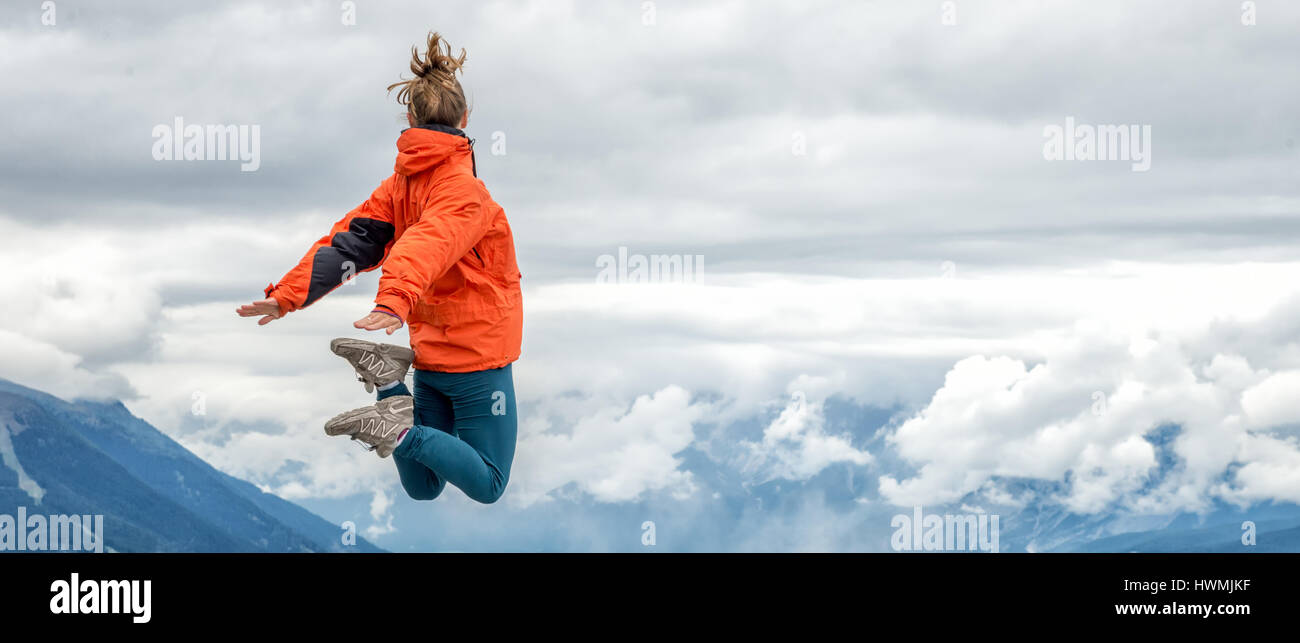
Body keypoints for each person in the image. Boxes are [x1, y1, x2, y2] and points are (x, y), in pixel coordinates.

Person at [236, 32, 522, 505]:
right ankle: (394, 418)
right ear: (466, 119)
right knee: (489, 484)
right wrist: (394, 299)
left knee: (423, 487)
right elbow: (427, 244)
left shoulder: (399, 187)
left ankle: (389, 385)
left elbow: (352, 242)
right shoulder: (467, 193)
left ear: (409, 119)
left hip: (427, 358)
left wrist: (287, 295)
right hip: (479, 360)